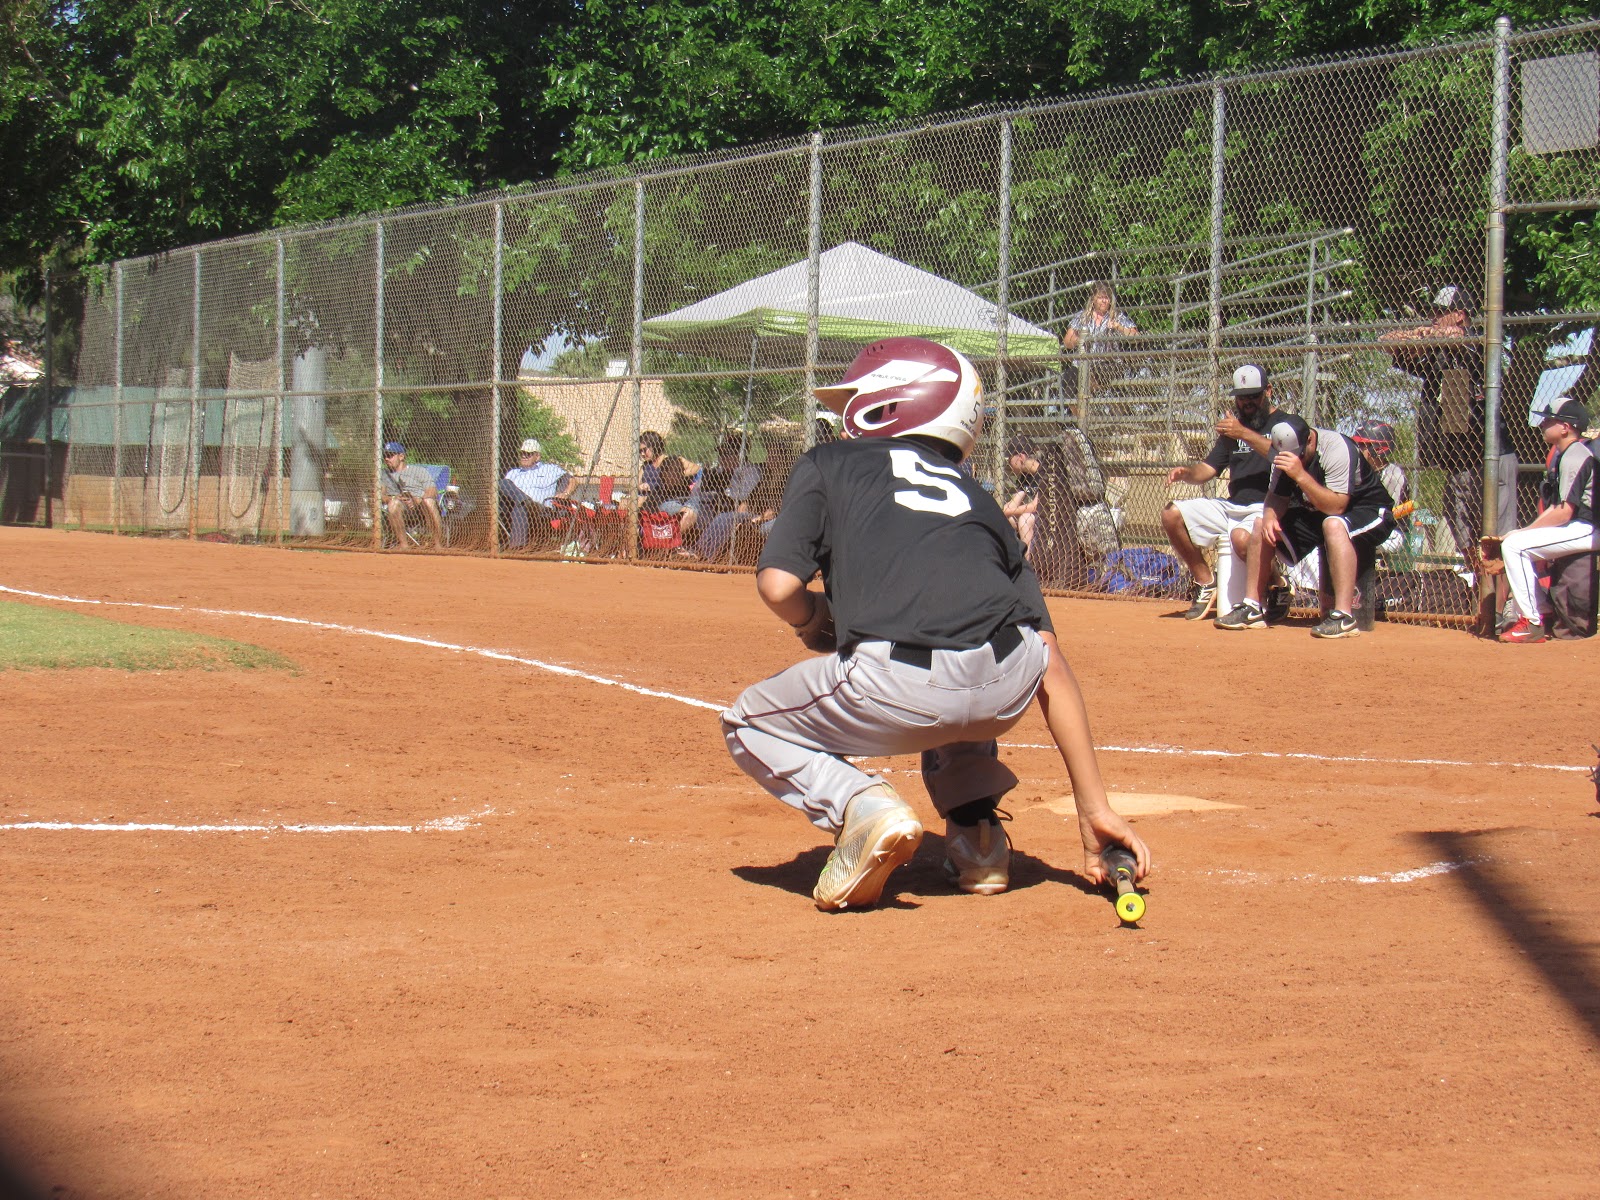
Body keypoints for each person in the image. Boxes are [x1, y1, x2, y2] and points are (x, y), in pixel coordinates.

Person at [720, 336, 1148, 911]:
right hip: (1006, 684)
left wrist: (813, 620)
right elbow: (1048, 655)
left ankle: (861, 805)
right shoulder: (978, 497)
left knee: (748, 722)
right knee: (972, 659)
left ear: (888, 403)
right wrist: (1096, 810)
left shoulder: (831, 461)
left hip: (896, 688)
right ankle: (979, 843)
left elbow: (779, 586)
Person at [1217, 414, 1397, 638]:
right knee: (1261, 522)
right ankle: (1252, 607)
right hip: (1317, 510)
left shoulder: (1337, 449)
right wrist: (1271, 516)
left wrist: (1300, 474)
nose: (1296, 460)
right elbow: (1276, 497)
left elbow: (1337, 506)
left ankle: (1343, 616)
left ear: (1310, 440)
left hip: (1368, 510)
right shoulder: (1285, 453)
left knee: (1333, 524)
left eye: (1300, 455)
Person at [1379, 285, 1516, 562]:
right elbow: (1386, 341)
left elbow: (1456, 337)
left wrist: (1427, 335)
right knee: (1463, 533)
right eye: (1433, 311)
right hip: (1457, 459)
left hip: (1490, 457)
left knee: (1497, 540)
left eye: (1441, 312)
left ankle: (1501, 603)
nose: (1433, 317)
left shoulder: (1478, 342)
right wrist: (1420, 334)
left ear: (1460, 314)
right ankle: (1479, 590)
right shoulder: (1436, 353)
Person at [1161, 363, 1279, 621]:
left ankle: (1278, 584)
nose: (1246, 403)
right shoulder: (1232, 432)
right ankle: (1205, 581)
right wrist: (1188, 474)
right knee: (1171, 514)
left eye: (1253, 396)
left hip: (1267, 507)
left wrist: (1243, 433)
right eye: (1241, 397)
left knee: (1242, 540)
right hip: (1232, 506)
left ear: (1268, 391)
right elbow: (1208, 468)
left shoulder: (1284, 424)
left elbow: (1283, 455)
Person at [1495, 398, 1597, 643]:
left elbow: (1564, 512)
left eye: (1549, 420)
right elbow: (1556, 508)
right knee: (1517, 543)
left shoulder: (1575, 455)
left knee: (1514, 545)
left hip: (1589, 528)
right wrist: (1523, 532)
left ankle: (1532, 621)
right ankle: (1541, 609)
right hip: (1578, 526)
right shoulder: (1565, 454)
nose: (1542, 424)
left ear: (1565, 427)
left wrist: (1521, 533)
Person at [676, 433, 759, 558]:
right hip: (714, 507)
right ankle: (673, 545)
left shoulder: (750, 471)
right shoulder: (717, 472)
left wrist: (725, 493)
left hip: (738, 512)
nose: (721, 458)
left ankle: (699, 553)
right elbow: (696, 492)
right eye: (720, 454)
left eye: (726, 454)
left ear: (739, 455)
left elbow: (746, 500)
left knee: (721, 517)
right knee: (691, 508)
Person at [498, 437, 577, 550]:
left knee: (510, 491)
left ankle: (517, 547)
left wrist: (565, 493)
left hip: (538, 508)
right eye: (522, 453)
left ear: (537, 456)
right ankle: (515, 547)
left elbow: (572, 480)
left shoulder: (549, 469)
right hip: (514, 506)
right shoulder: (513, 472)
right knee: (503, 485)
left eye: (528, 454)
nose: (524, 456)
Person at [1351, 419, 1411, 556]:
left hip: (1391, 533)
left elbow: (1389, 514)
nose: (1357, 449)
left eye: (1363, 445)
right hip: (1360, 525)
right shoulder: (1356, 470)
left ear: (1378, 449)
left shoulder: (1394, 475)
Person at [379, 441, 443, 549]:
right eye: (385, 456)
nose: (386, 459)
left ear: (401, 456)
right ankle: (404, 545)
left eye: (390, 455)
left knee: (429, 501)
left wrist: (417, 499)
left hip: (421, 508)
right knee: (393, 505)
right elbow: (381, 496)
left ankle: (438, 544)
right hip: (402, 509)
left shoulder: (418, 471)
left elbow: (432, 491)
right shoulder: (385, 475)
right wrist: (394, 498)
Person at [637, 431, 699, 516]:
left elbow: (696, 468)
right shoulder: (645, 466)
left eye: (644, 450)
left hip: (665, 499)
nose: (642, 454)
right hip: (646, 499)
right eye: (640, 451)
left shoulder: (671, 461)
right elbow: (636, 483)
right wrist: (641, 486)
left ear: (654, 445)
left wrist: (676, 475)